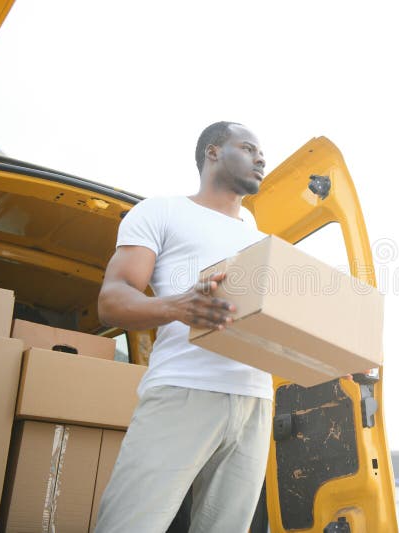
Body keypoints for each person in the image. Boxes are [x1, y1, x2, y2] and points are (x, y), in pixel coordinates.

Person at [95, 121, 272, 532]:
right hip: (184, 388)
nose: (261, 158)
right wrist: (176, 306)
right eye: (248, 148)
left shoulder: (261, 239)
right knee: (130, 524)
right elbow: (112, 299)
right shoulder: (163, 211)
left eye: (262, 152)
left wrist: (335, 355)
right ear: (212, 152)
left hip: (255, 402)